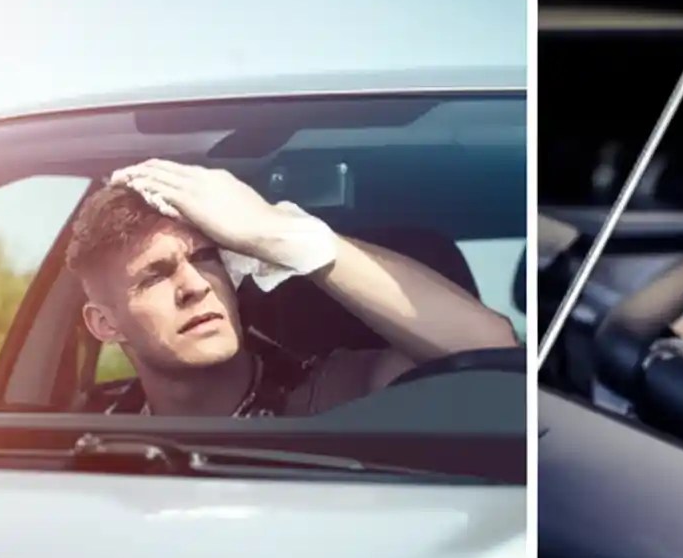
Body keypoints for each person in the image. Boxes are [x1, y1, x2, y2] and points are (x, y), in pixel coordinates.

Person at [65, 159, 519, 417]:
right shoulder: (93, 434)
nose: (195, 286)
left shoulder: (344, 392)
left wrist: (283, 235)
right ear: (104, 323)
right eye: (155, 276)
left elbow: (494, 356)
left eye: (205, 258)